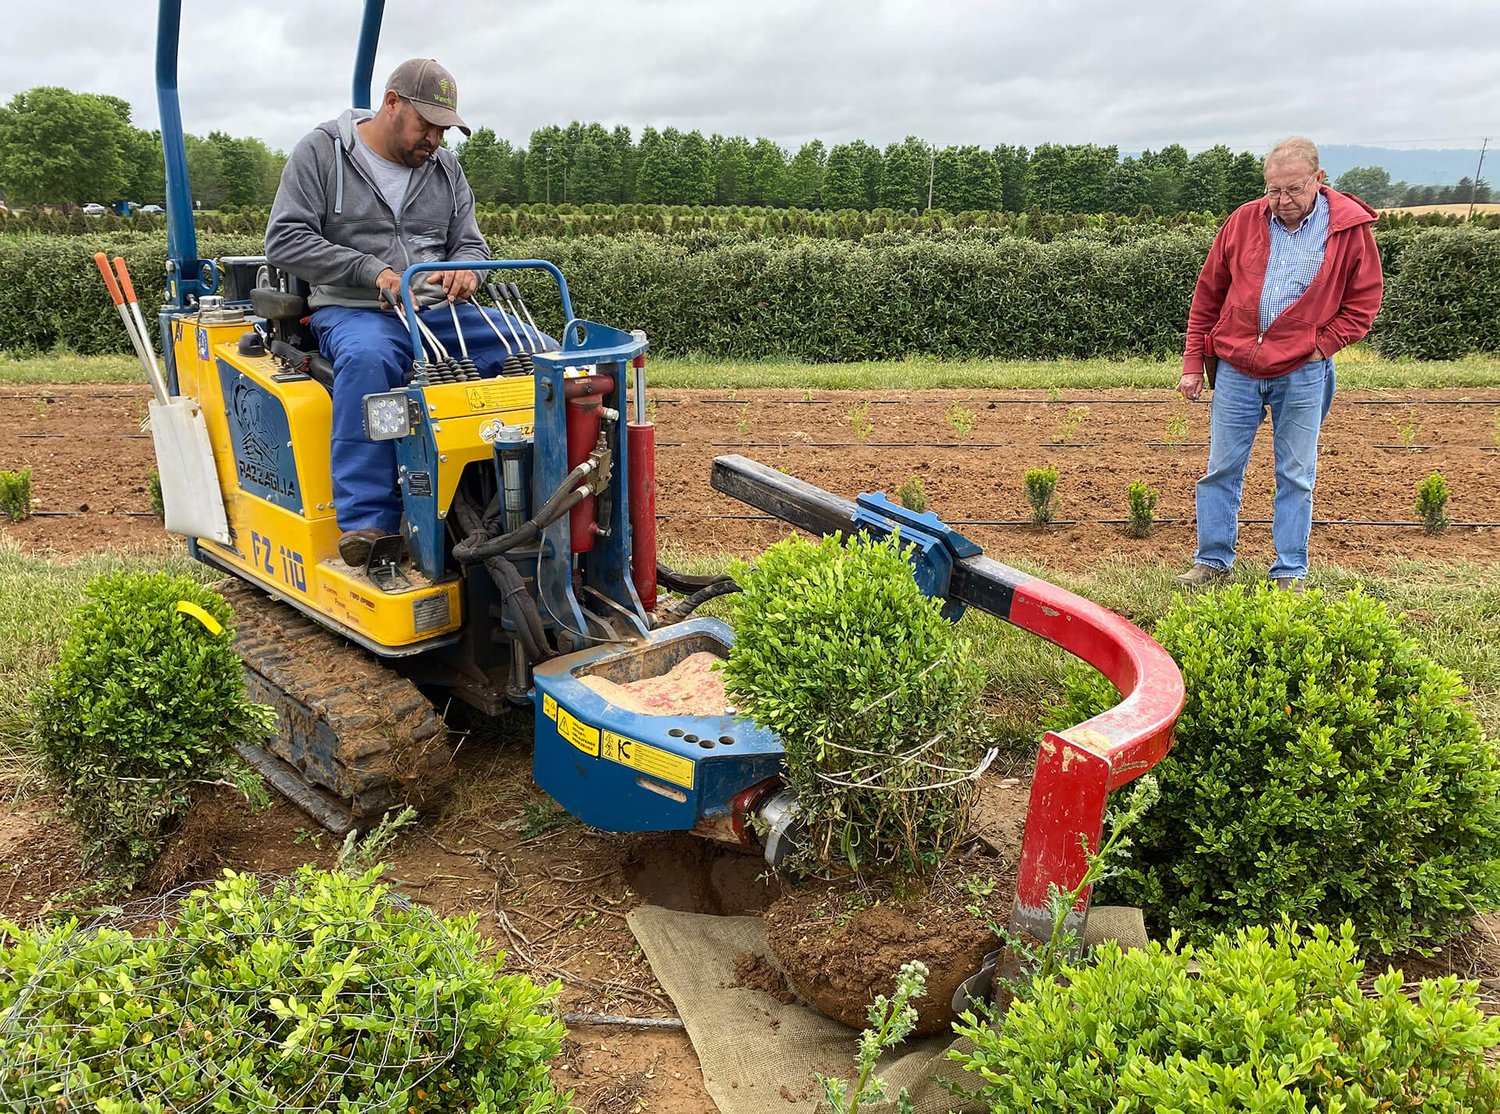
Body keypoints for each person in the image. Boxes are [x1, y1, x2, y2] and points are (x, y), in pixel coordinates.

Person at [266, 58, 548, 567]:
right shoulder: (322, 153)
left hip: (441, 312)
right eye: (428, 125)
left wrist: (468, 272)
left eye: (444, 129)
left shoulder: (446, 170)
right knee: (371, 362)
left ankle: (536, 497)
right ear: (391, 103)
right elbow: (285, 239)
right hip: (356, 311)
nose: (436, 140)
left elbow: (472, 245)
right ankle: (369, 525)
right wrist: (370, 270)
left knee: (541, 353)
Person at [1175, 137, 1383, 592]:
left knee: (1295, 473)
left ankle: (1289, 569)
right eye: (1273, 191)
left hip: (1304, 372)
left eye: (1293, 190)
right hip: (1236, 367)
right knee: (1221, 468)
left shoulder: (1349, 230)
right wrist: (1194, 361)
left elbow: (1363, 302)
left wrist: (1322, 345)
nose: (1283, 201)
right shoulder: (1243, 221)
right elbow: (1208, 293)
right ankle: (1212, 559)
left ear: (1318, 179)